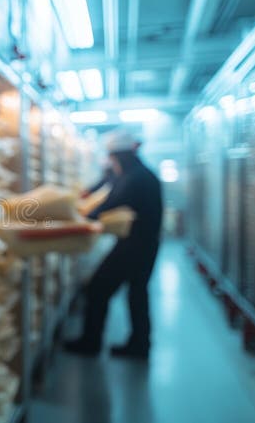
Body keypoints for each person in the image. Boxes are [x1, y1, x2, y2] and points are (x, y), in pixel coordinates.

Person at [64, 130, 163, 358]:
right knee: (137, 294)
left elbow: (113, 201)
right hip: (142, 244)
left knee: (98, 288)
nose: (111, 162)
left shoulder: (135, 178)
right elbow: (108, 180)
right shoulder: (135, 172)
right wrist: (87, 193)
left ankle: (91, 343)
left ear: (119, 156)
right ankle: (139, 345)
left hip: (135, 247)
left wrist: (82, 219)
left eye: (113, 158)